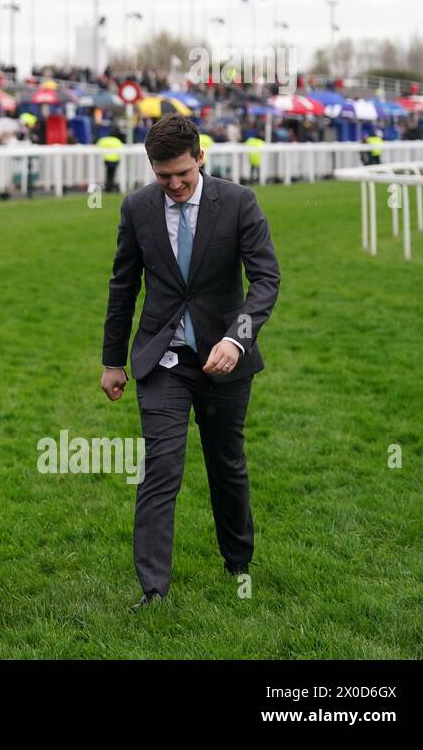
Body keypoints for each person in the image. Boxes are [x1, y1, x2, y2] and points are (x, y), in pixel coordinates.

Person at [99, 115, 281, 611]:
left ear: (201, 158)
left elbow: (266, 281)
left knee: (226, 463)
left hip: (226, 360)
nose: (174, 186)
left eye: (182, 174)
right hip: (164, 361)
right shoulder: (137, 208)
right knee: (160, 466)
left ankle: (238, 560)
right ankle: (153, 589)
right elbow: (123, 286)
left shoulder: (239, 203)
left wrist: (236, 339)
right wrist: (113, 360)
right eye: (163, 177)